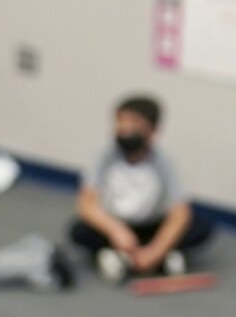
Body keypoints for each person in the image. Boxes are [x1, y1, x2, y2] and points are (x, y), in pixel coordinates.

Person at [69, 93, 214, 283]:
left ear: (153, 130)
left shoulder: (164, 163)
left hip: (151, 226)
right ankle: (156, 258)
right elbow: (87, 204)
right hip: (117, 224)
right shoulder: (104, 157)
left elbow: (180, 212)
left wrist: (155, 251)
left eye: (134, 123)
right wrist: (116, 231)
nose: (126, 129)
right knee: (80, 231)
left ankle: (135, 257)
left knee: (200, 226)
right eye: (121, 122)